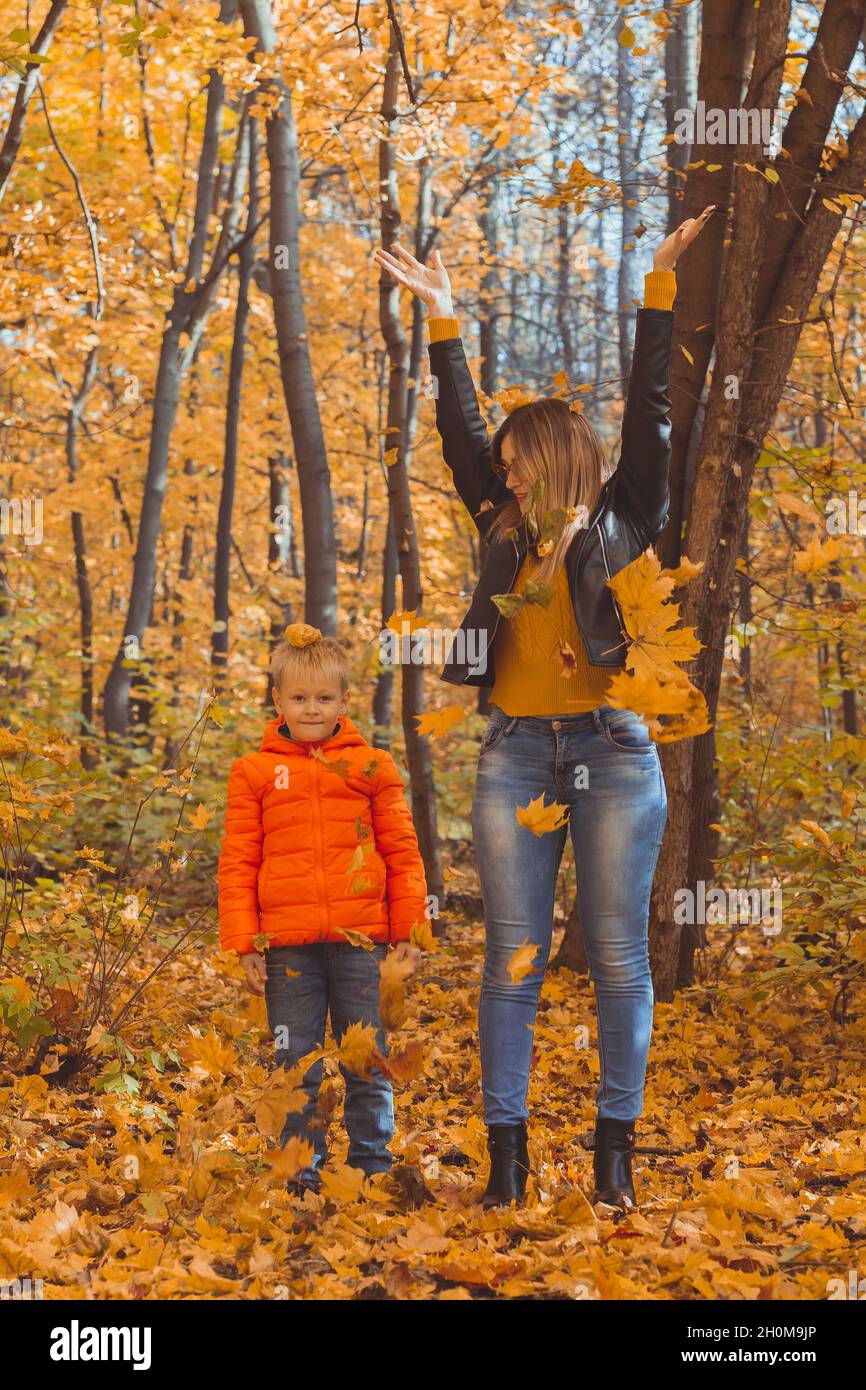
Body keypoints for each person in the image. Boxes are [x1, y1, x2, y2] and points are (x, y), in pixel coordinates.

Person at [374, 206, 714, 1212]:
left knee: (615, 957)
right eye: (503, 465)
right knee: (510, 958)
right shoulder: (500, 522)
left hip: (612, 753)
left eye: (520, 462)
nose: (502, 472)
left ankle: (613, 1155)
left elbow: (650, 409)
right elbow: (460, 433)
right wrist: (442, 325)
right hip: (515, 752)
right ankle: (506, 1160)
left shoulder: (625, 515)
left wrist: (657, 290)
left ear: (558, 460)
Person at [217, 623, 426, 1192]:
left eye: (324, 698)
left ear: (344, 702)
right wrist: (244, 943)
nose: (312, 709)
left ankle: (371, 1169)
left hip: (362, 942)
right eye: (299, 698)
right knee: (296, 1066)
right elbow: (238, 862)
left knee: (366, 1061)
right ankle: (301, 1175)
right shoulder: (254, 773)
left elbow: (402, 852)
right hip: (288, 950)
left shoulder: (371, 768)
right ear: (278, 701)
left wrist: (408, 928)